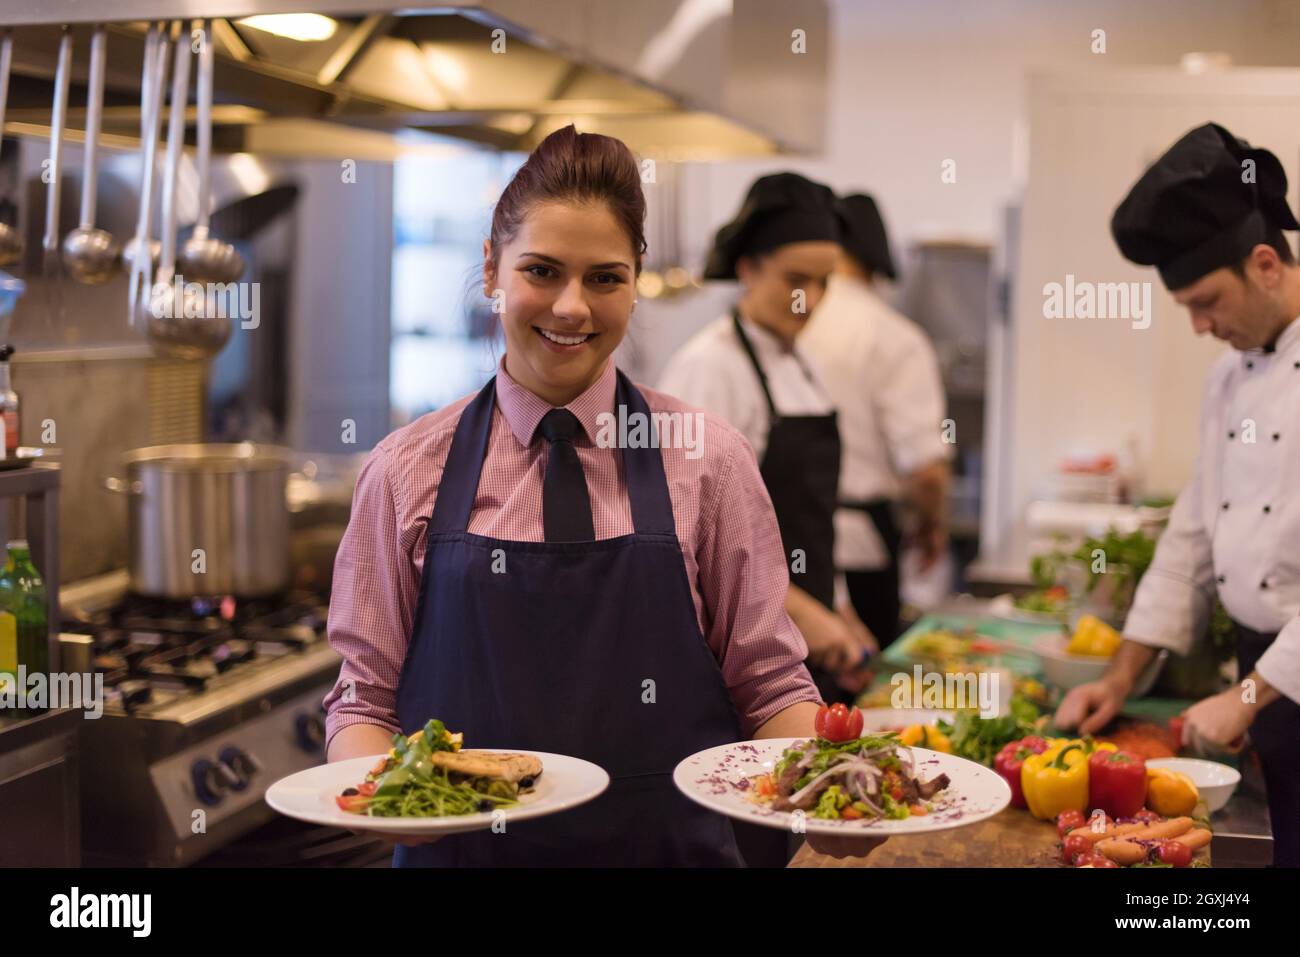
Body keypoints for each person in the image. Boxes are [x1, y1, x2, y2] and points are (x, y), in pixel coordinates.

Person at [322, 125, 878, 867]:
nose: (572, 307)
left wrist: (836, 785)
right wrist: (377, 798)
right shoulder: (403, 470)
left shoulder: (709, 459)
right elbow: (363, 700)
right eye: (543, 271)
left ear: (636, 282)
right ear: (492, 269)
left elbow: (770, 682)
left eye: (605, 278)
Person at [1055, 122, 1300, 867]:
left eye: (1205, 301)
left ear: (1265, 263)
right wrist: (1121, 673)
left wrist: (1248, 698)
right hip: (1268, 674)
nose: (1198, 327)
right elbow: (1192, 534)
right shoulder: (1229, 377)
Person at [658, 172, 876, 706]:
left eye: (825, 282)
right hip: (738, 649)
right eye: (797, 280)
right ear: (748, 269)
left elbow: (809, 518)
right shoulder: (711, 368)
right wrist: (805, 615)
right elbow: (695, 537)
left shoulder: (800, 363)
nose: (811, 300)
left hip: (803, 636)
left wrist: (840, 609)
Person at [800, 194, 952, 648]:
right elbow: (926, 470)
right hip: (864, 550)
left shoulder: (787, 324)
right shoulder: (894, 337)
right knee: (864, 695)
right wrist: (931, 526)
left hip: (783, 552)